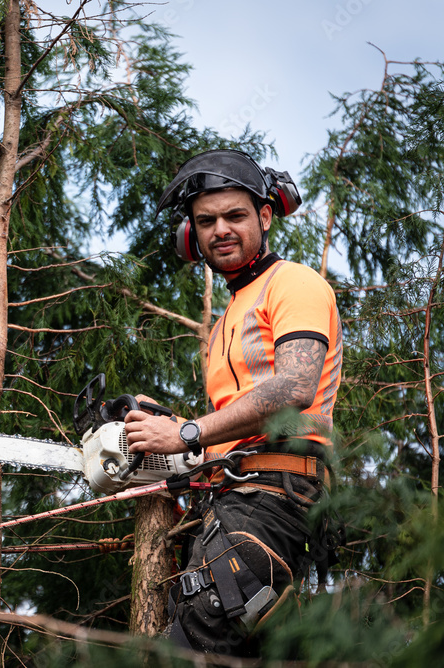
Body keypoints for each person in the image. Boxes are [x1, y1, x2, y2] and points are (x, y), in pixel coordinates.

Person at [124, 149, 343, 656]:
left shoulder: (293, 282)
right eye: (206, 221)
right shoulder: (224, 323)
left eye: (235, 216)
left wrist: (185, 433)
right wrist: (170, 426)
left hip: (276, 497)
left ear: (265, 216)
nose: (220, 229)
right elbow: (234, 431)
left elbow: (294, 387)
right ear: (192, 236)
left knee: (187, 652)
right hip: (234, 502)